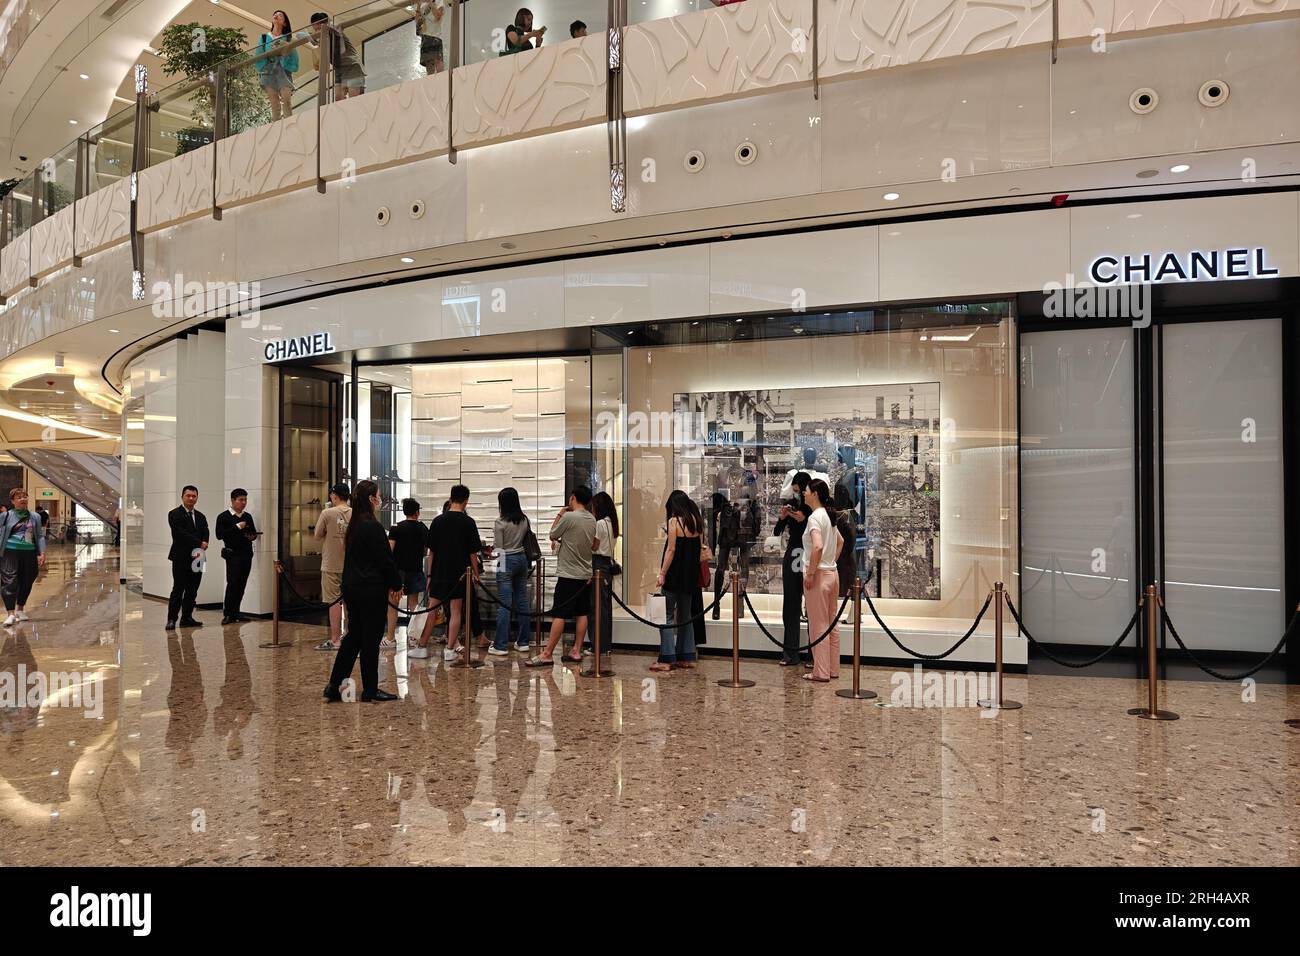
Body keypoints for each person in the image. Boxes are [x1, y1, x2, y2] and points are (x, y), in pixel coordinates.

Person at [324, 480, 400, 702]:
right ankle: (370, 689)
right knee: (370, 639)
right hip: (370, 589)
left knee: (354, 637)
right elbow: (384, 559)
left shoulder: (355, 524)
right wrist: (396, 584)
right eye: (377, 495)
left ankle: (334, 684)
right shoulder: (372, 526)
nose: (380, 499)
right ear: (370, 499)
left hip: (353, 587)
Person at [526, 485, 595, 667]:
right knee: (582, 613)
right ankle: (576, 651)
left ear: (573, 498)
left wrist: (560, 514)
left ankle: (547, 653)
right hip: (585, 574)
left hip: (568, 574)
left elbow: (552, 534)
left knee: (559, 614)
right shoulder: (592, 519)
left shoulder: (570, 517)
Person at [415, 485, 482, 661]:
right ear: (466, 501)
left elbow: (431, 552)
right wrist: (476, 574)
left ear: (450, 499)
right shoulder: (469, 522)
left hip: (439, 572)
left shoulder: (438, 521)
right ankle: (450, 649)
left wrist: (429, 575)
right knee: (456, 611)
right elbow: (472, 553)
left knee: (432, 610)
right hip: (460, 574)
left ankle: (422, 647)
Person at [651, 490, 709, 672]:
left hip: (674, 575)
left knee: (666, 616)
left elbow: (671, 550)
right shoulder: (696, 522)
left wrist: (661, 573)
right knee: (685, 616)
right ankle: (686, 656)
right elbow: (700, 550)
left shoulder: (674, 522)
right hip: (690, 577)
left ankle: (667, 658)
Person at [801, 479, 841, 684]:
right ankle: (833, 668)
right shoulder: (828, 515)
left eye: (806, 490)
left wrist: (811, 572)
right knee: (831, 623)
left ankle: (821, 672)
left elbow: (816, 546)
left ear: (815, 493)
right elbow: (840, 542)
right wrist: (830, 561)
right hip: (833, 575)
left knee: (818, 625)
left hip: (818, 576)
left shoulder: (815, 518)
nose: (804, 493)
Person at [773, 471, 811, 666]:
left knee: (812, 607)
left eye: (798, 490)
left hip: (807, 556)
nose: (796, 493)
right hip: (793, 555)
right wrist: (782, 517)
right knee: (790, 606)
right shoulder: (793, 506)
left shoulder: (812, 508)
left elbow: (803, 519)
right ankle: (790, 653)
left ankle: (814, 655)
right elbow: (777, 531)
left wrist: (793, 514)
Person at [490, 487, 532, 656]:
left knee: (504, 604)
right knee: (522, 600)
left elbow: (499, 549)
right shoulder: (524, 520)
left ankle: (500, 645)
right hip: (522, 559)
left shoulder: (500, 522)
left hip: (505, 560)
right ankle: (523, 642)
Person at [313, 482, 351, 651]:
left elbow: (317, 534)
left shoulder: (327, 513)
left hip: (331, 563)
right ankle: (350, 635)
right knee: (350, 600)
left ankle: (335, 639)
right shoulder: (355, 513)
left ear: (334, 495)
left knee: (333, 601)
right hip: (351, 564)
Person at [387, 497, 429, 648]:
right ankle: (413, 637)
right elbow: (426, 550)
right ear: (417, 513)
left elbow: (389, 551)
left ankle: (391, 638)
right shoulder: (423, 529)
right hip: (416, 570)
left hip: (398, 571)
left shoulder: (396, 528)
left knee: (393, 605)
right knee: (414, 605)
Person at [0, 489, 46, 626]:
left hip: (29, 552)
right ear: (13, 501)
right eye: (18, 497)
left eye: (25, 496)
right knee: (9, 580)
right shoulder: (5, 516)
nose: (22, 499)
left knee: (28, 579)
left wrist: (42, 552)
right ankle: (10, 613)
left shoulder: (35, 517)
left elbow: (39, 536)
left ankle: (20, 608)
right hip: (10, 551)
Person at [166, 485, 208, 630]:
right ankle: (171, 619)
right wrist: (199, 542)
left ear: (197, 498)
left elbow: (205, 531)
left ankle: (187, 617)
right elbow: (179, 534)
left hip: (198, 557)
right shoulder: (174, 514)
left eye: (194, 496)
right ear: (182, 497)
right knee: (178, 588)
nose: (191, 498)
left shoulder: (201, 516)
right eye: (188, 495)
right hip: (181, 557)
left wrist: (205, 542)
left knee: (193, 589)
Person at [215, 488, 259, 625]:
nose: (243, 502)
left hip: (246, 554)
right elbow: (219, 535)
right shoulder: (223, 516)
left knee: (242, 584)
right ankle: (228, 614)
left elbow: (252, 533)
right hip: (232, 554)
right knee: (232, 583)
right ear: (233, 500)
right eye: (241, 500)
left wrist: (252, 536)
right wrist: (237, 527)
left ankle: (237, 612)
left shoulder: (248, 516)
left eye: (245, 500)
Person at [589, 491, 619, 657]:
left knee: (597, 607)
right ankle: (606, 644)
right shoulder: (612, 523)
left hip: (598, 564)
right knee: (605, 607)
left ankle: (597, 645)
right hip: (607, 563)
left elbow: (594, 546)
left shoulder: (599, 523)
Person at [308, 12, 366, 99]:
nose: (317, 31)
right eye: (315, 29)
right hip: (339, 70)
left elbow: (334, 27)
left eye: (319, 27)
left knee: (354, 98)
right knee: (338, 97)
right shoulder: (322, 40)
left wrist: (328, 24)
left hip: (352, 66)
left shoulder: (335, 32)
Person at [256, 11, 299, 121]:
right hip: (268, 71)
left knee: (287, 100)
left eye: (280, 15)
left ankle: (289, 124)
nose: (276, 15)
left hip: (283, 71)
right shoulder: (264, 37)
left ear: (284, 23)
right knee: (274, 103)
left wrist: (284, 53)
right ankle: (276, 128)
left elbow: (294, 58)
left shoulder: (288, 39)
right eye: (275, 14)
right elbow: (259, 55)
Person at [415, 1, 446, 75]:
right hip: (425, 38)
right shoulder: (422, 5)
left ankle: (442, 80)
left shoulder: (438, 2)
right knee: (428, 63)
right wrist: (418, 7)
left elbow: (438, 16)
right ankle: (430, 82)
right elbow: (418, 22)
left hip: (435, 37)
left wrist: (431, 3)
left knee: (437, 61)